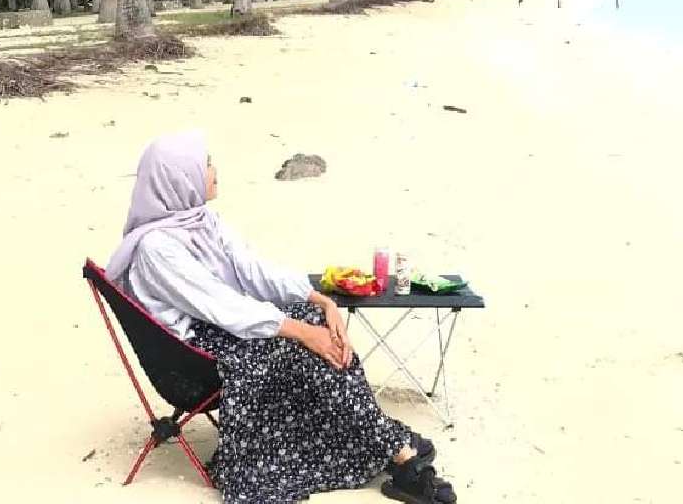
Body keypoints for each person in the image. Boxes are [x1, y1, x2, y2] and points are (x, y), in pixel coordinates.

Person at [106, 131, 457, 504]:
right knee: (305, 344)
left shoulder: (199, 221)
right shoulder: (156, 248)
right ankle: (399, 454)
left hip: (224, 329)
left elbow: (252, 269)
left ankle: (379, 434)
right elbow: (222, 305)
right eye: (205, 164)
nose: (213, 170)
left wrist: (319, 299)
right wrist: (302, 333)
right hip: (196, 355)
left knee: (314, 323)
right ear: (179, 179)